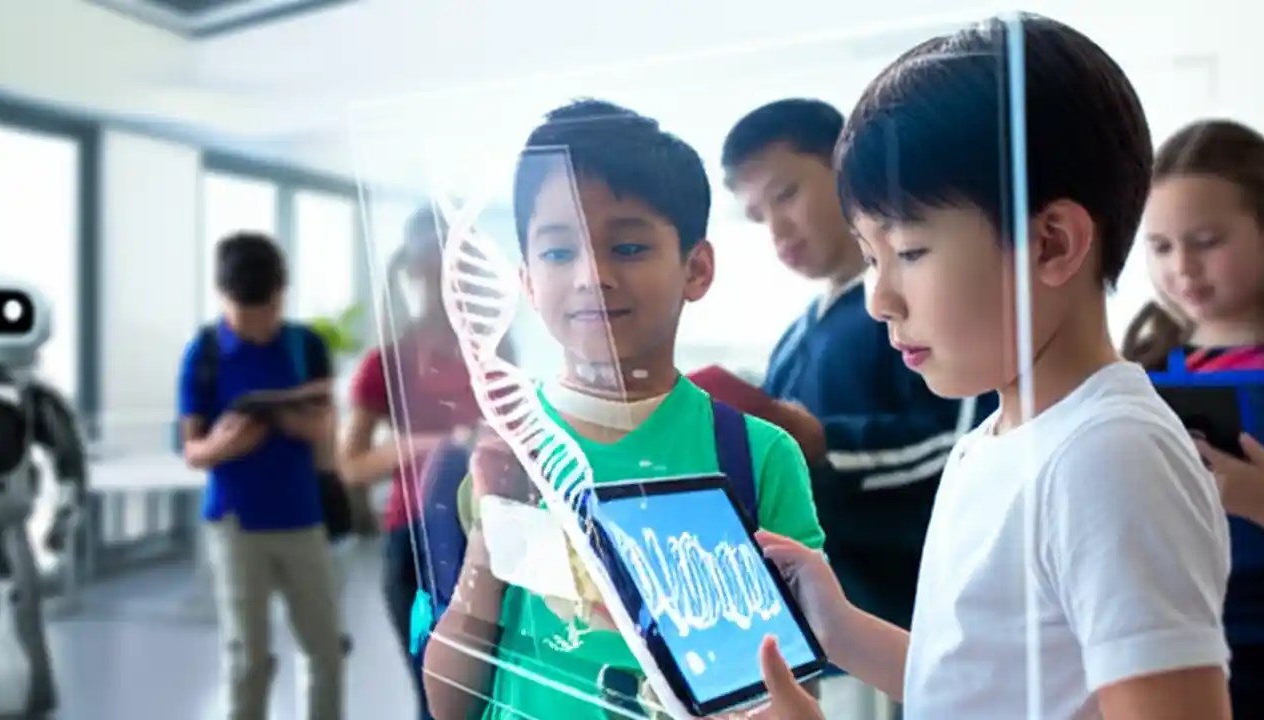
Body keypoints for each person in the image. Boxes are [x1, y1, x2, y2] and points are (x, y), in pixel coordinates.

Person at [751, 13, 1233, 719]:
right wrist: (840, 630)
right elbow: (977, 685)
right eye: (871, 257)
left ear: (1051, 243)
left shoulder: (1110, 456)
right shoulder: (992, 443)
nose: (880, 300)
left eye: (909, 252)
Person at [422, 99, 826, 720]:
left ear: (696, 268)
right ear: (526, 280)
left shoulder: (757, 456)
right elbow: (450, 704)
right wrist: (489, 536)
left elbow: (796, 692)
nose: (592, 275)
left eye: (629, 247)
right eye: (558, 253)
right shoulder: (502, 453)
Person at [722, 98, 995, 629]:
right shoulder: (793, 339)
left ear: (846, 169)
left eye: (787, 195)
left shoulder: (923, 304)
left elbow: (965, 440)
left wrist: (826, 445)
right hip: (824, 626)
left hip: (918, 620)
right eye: (758, 216)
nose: (777, 229)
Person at [1120, 118, 1264, 716]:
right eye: (1160, 246)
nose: (1182, 266)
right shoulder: (1142, 367)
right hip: (1178, 644)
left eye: (1206, 241)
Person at [178, 232, 344, 720]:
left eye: (268, 310)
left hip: (302, 519)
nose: (258, 325)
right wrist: (222, 445)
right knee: (247, 659)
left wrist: (297, 424)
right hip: (235, 526)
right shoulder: (204, 354)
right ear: (222, 296)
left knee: (325, 651)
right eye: (245, 314)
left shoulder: (305, 346)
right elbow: (192, 450)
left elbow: (327, 426)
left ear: (281, 294)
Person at [339, 205, 481, 719]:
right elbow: (352, 465)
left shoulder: (490, 351)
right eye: (446, 261)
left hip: (485, 538)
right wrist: (437, 445)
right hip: (416, 540)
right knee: (438, 701)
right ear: (419, 270)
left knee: (487, 698)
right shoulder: (387, 363)